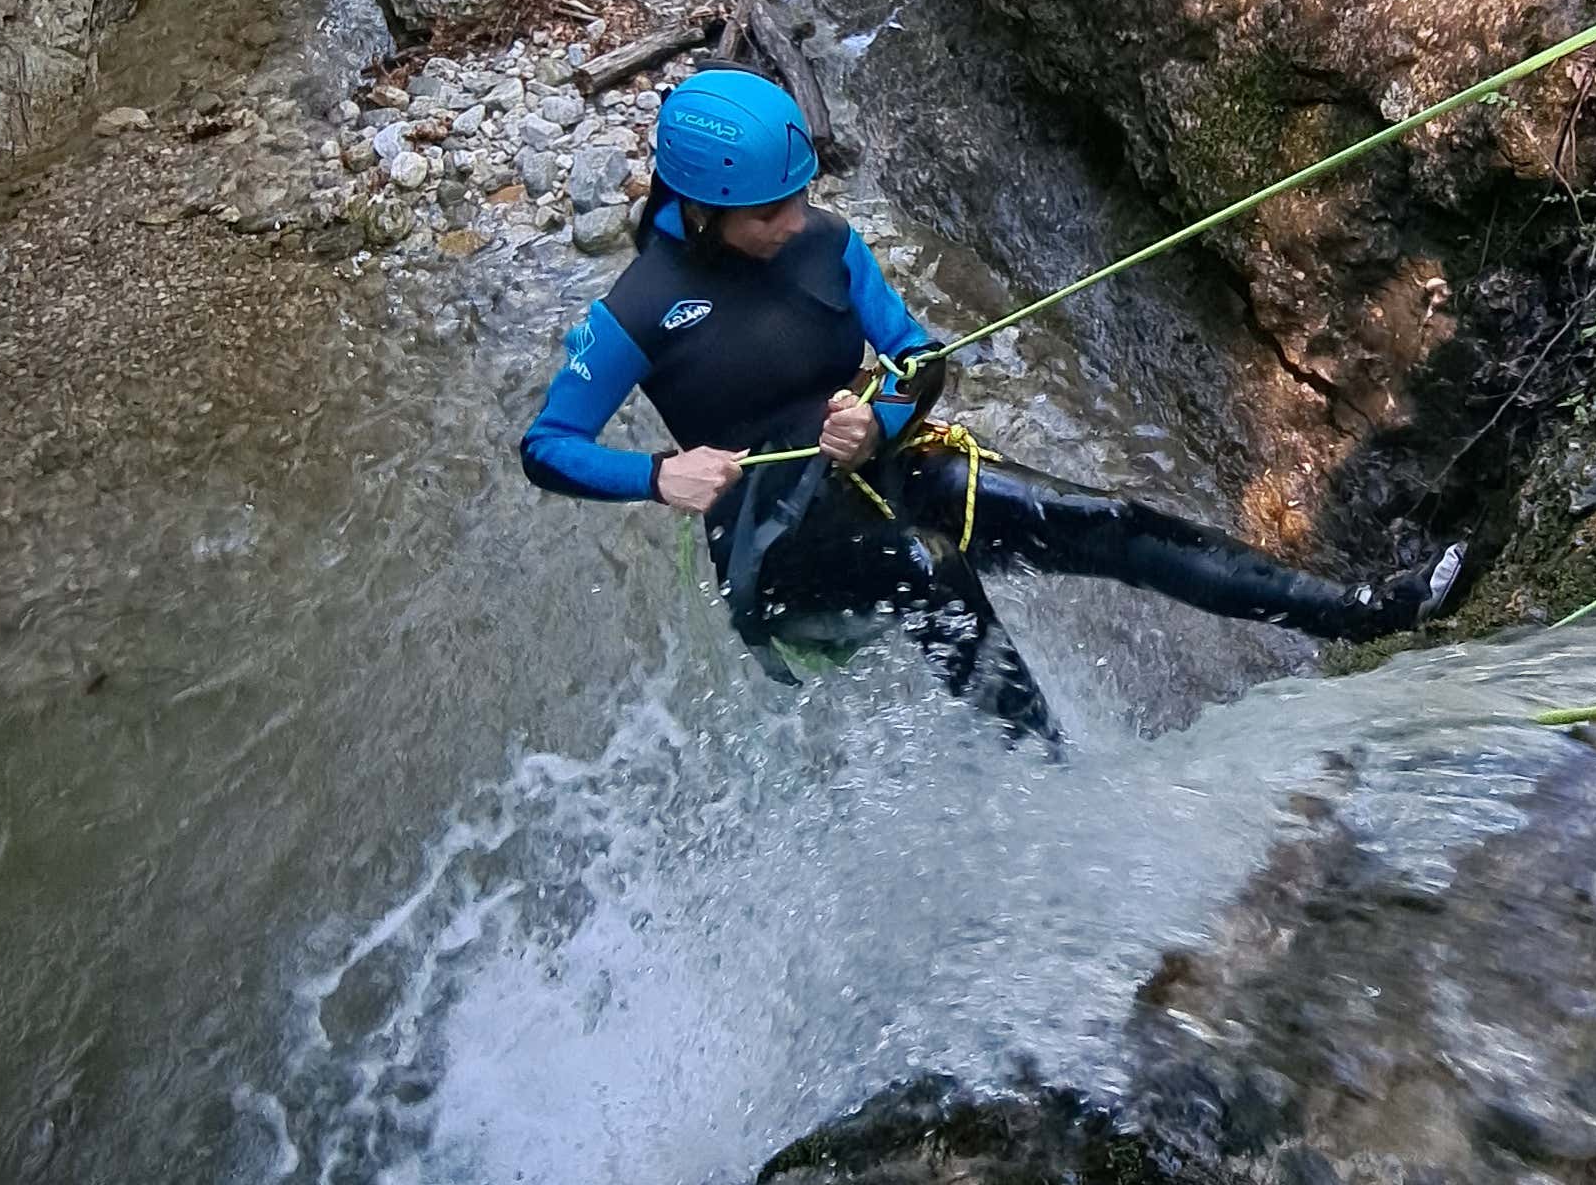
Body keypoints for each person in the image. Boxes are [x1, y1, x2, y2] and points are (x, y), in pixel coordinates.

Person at [516, 69, 1463, 740]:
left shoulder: (827, 245)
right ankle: (1055, 781)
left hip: (880, 469)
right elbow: (547, 446)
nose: (796, 221)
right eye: (771, 212)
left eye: (800, 197)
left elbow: (918, 356)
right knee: (932, 572)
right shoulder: (639, 308)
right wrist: (659, 475)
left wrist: (880, 419)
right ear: (701, 209)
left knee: (1108, 522)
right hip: (774, 539)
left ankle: (1364, 613)